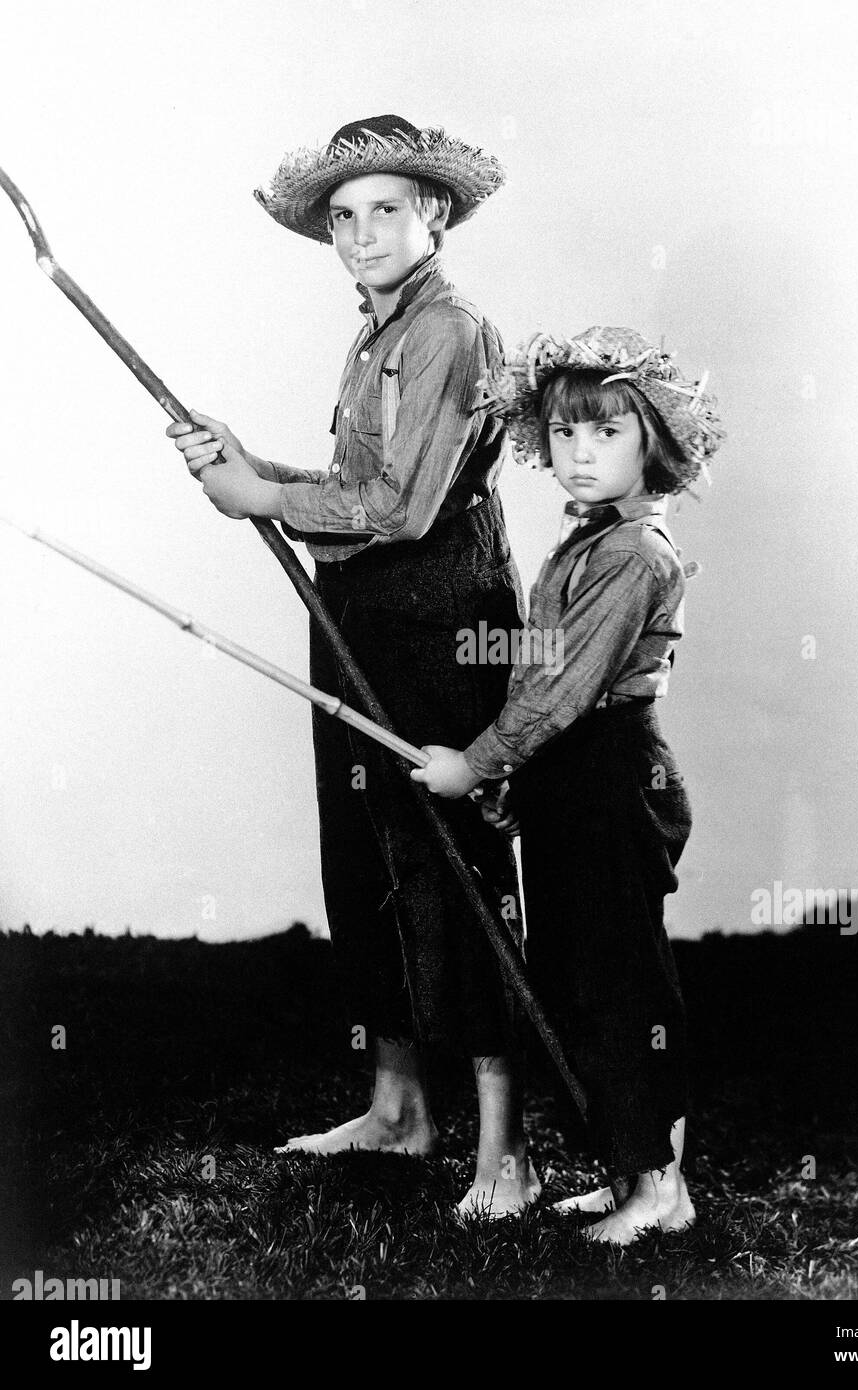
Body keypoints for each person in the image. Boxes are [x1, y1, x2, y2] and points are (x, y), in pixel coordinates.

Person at [166, 114, 540, 1218]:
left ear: (433, 214)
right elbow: (353, 488)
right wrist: (251, 466)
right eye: (343, 215)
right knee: (363, 859)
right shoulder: (375, 330)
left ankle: (503, 1155)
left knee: (454, 868)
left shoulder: (448, 331)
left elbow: (404, 506)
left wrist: (268, 500)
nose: (362, 233)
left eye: (386, 209)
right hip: (358, 618)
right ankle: (396, 1108)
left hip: (442, 626)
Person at [412, 327, 724, 1242]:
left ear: (652, 443)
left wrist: (473, 763)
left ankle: (659, 1191)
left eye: (606, 434)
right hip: (573, 775)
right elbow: (541, 675)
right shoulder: (590, 539)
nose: (580, 455)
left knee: (621, 988)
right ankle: (631, 1173)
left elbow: (562, 688)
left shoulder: (634, 554)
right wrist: (517, 781)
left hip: (613, 776)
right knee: (581, 985)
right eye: (562, 436)